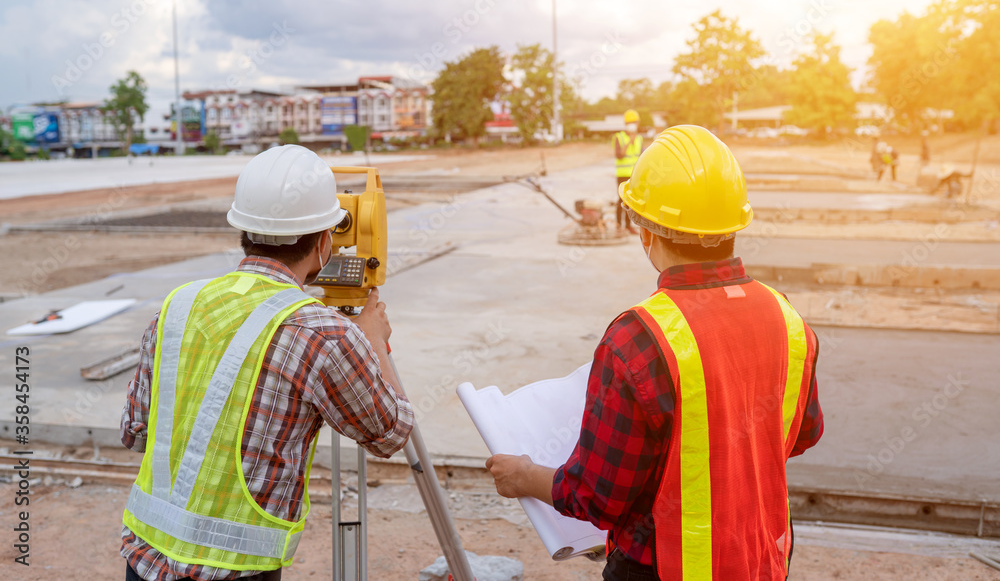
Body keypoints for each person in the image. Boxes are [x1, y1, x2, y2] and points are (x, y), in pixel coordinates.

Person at [486, 125, 824, 580]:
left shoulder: (638, 338)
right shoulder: (788, 321)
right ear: (733, 227)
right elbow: (803, 433)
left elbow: (599, 494)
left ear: (646, 232)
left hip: (667, 567)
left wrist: (525, 476)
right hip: (764, 556)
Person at [119, 144, 414, 581]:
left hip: (144, 561)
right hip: (237, 571)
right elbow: (390, 433)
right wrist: (371, 340)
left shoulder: (178, 305)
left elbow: (135, 431)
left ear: (243, 230)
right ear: (323, 241)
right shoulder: (323, 332)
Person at [614, 109, 643, 233]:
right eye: (632, 122)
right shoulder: (619, 137)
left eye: (635, 122)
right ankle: (618, 225)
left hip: (634, 175)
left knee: (630, 201)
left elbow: (642, 156)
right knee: (621, 200)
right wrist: (628, 142)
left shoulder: (640, 138)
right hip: (622, 174)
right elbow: (619, 155)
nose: (634, 124)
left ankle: (627, 225)